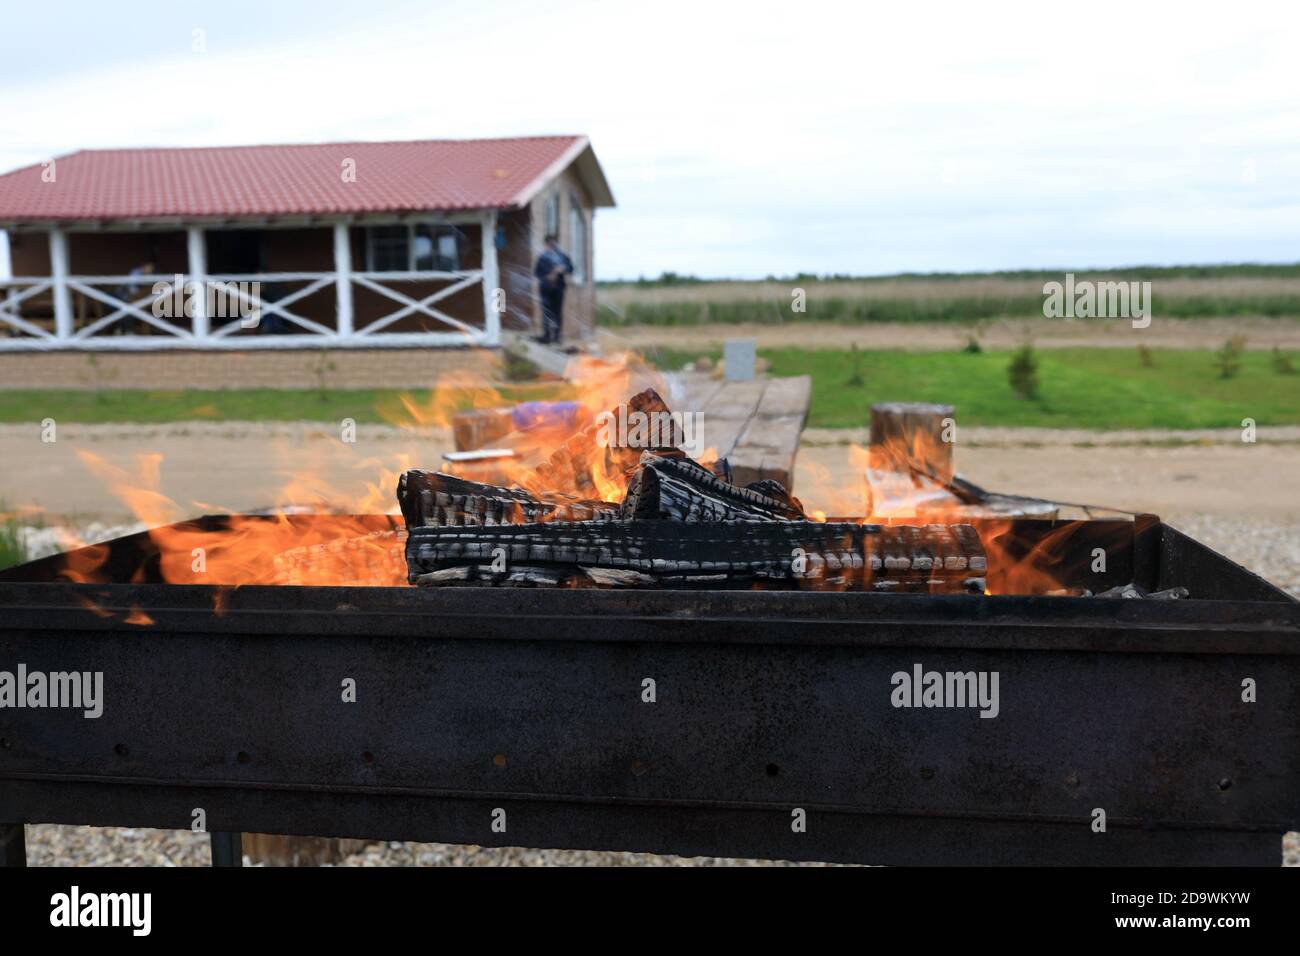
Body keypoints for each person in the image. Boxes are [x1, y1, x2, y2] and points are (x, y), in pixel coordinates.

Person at [533, 234, 573, 345]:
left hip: (558, 289)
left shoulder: (563, 257)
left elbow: (571, 268)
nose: (552, 245)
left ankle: (557, 336)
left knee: (557, 312)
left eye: (554, 242)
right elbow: (537, 274)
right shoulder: (542, 257)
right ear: (546, 244)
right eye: (549, 243)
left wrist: (563, 269)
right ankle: (547, 336)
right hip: (545, 289)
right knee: (546, 312)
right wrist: (548, 276)